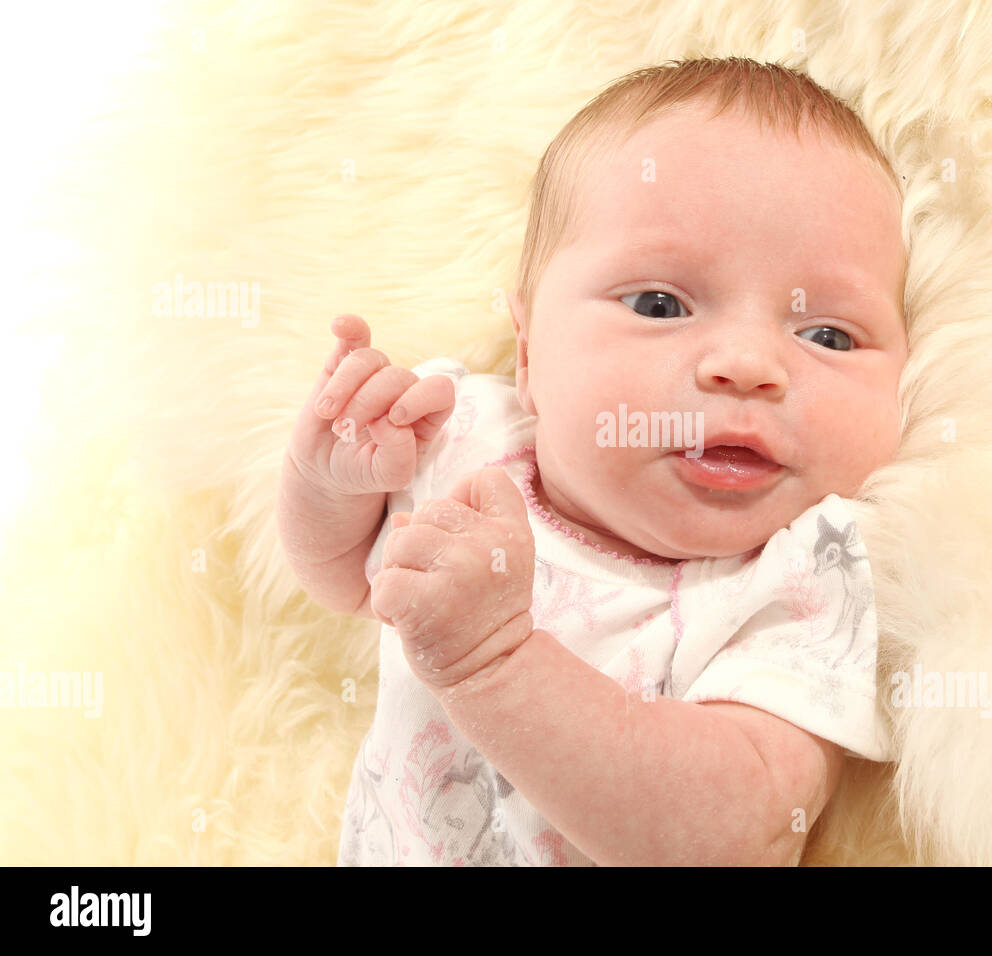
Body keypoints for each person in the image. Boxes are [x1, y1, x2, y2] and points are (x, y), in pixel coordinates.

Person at [278, 56, 909, 866]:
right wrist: (325, 480)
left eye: (827, 335)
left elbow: (735, 836)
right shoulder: (462, 437)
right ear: (530, 353)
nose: (749, 365)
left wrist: (494, 663)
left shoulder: (803, 580)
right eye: (659, 304)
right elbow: (342, 578)